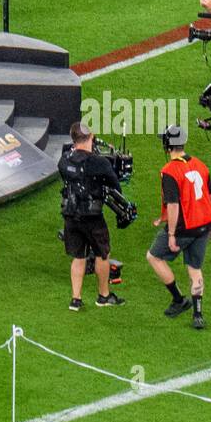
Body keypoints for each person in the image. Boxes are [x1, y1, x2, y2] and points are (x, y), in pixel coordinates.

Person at [146, 125, 211, 330]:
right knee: (195, 269)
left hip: (184, 227)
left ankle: (179, 299)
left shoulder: (169, 171)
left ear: (168, 145)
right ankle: (198, 315)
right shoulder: (200, 165)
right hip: (204, 224)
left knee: (153, 256)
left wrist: (170, 233)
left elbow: (174, 205)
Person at [58, 123, 124, 310]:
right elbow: (115, 186)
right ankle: (104, 296)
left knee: (79, 257)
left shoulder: (64, 160)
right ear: (91, 136)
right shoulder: (99, 163)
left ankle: (76, 299)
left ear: (73, 138)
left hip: (70, 215)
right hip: (92, 217)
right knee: (103, 255)